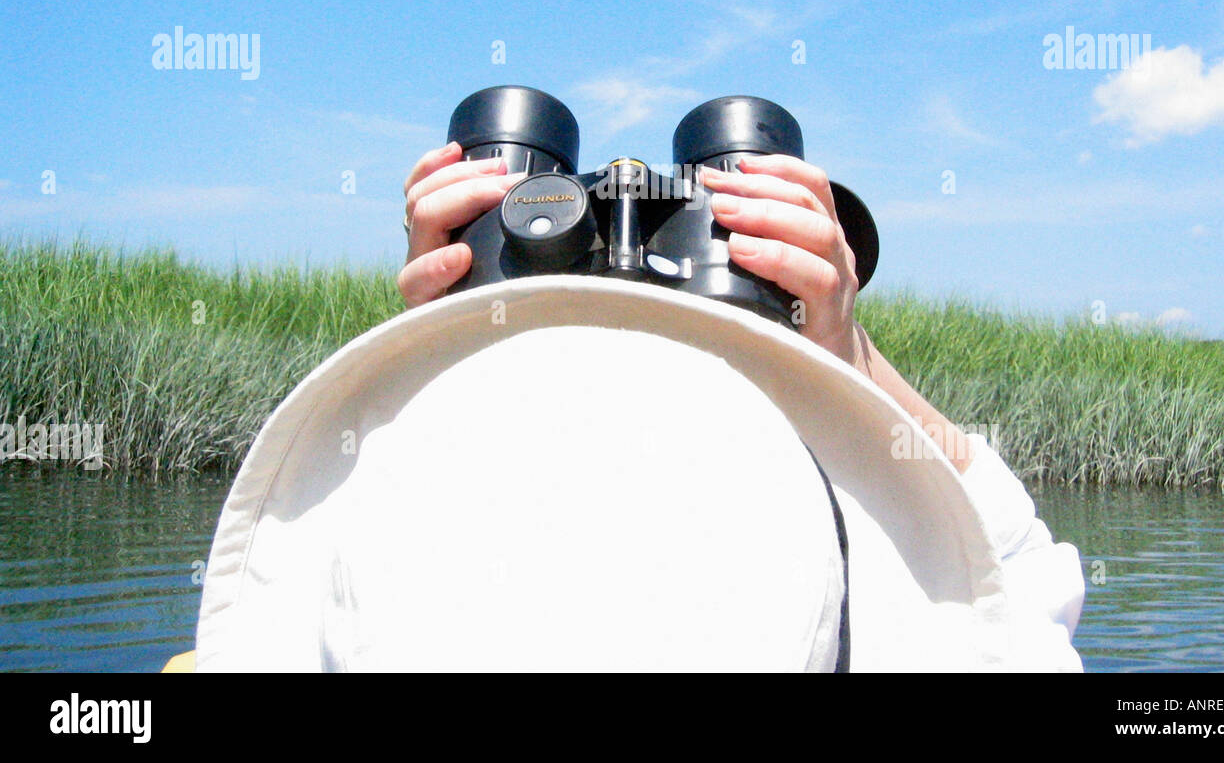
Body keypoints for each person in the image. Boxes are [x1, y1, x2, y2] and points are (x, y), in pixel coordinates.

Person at [399, 142, 1086, 667]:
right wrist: (846, 359)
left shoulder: (459, 598)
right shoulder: (828, 613)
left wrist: (436, 351)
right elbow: (1011, 572)